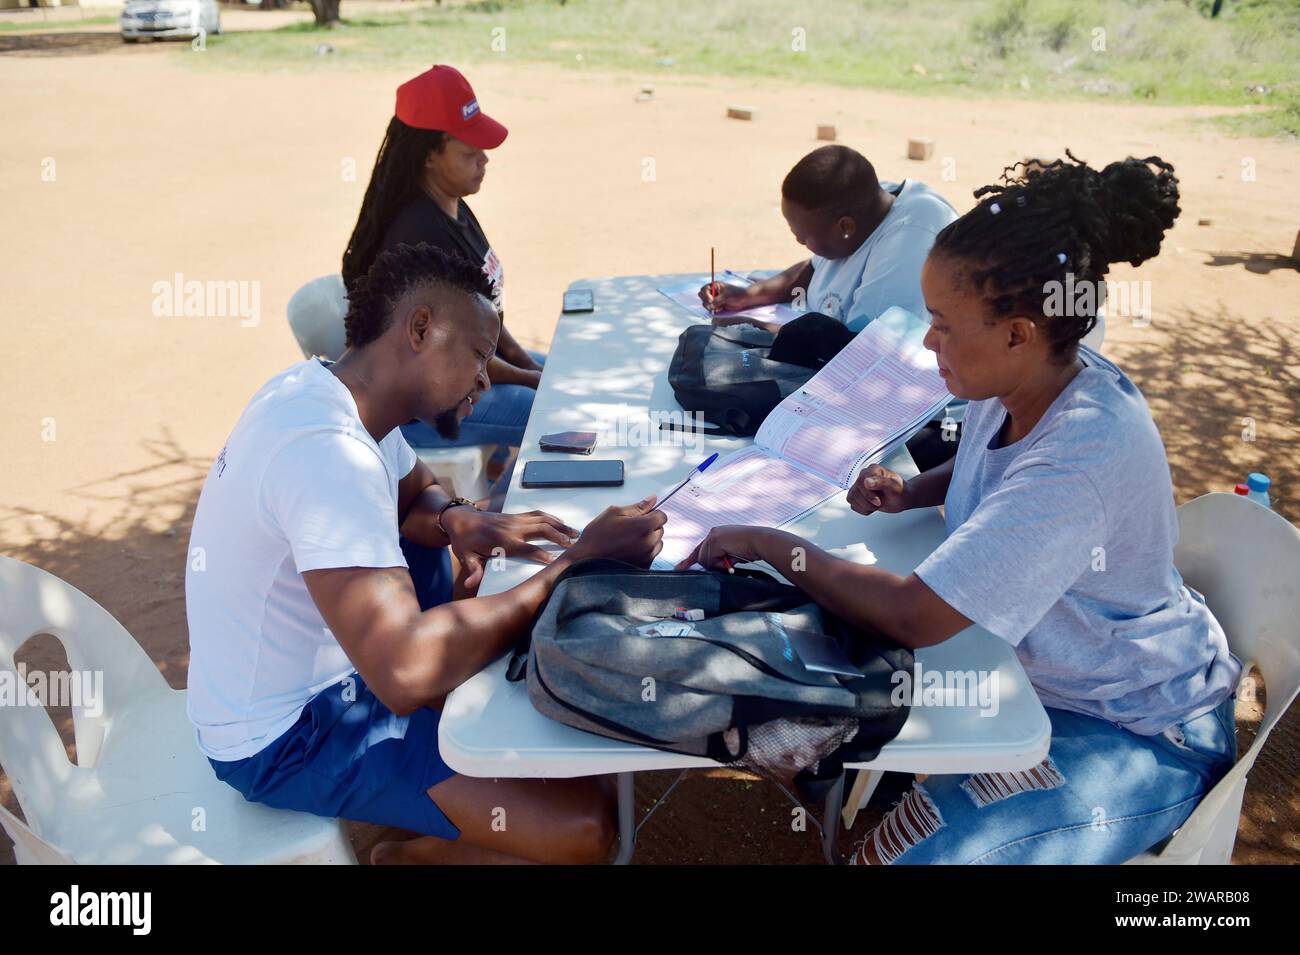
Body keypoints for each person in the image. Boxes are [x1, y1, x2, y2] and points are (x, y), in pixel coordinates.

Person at [679, 153, 1242, 864]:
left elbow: (918, 614)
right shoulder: (1027, 382)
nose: (927, 340)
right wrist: (914, 490)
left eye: (943, 324)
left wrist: (770, 542)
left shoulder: (1081, 453)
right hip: (1039, 683)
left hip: (1136, 728)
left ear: (1017, 332)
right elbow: (996, 465)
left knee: (897, 858)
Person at [186, 243, 667, 864]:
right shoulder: (326, 453)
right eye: (477, 353)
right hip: (287, 736)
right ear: (420, 328)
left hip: (349, 675)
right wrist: (571, 566)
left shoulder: (330, 394)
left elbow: (415, 493)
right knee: (584, 827)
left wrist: (456, 518)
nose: (485, 378)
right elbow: (407, 672)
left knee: (574, 738)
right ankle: (401, 859)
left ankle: (432, 809)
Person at [342, 64, 543, 453]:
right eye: (469, 152)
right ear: (429, 156)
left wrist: (527, 364)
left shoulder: (452, 203)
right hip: (428, 405)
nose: (483, 159)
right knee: (557, 411)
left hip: (472, 370)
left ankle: (505, 460)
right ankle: (513, 504)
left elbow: (487, 320)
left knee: (566, 375)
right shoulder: (420, 235)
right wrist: (531, 378)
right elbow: (455, 354)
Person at [698, 144, 957, 333]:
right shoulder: (865, 206)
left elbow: (859, 350)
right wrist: (749, 296)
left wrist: (758, 327)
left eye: (804, 237)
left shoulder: (910, 240)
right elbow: (813, 269)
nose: (799, 242)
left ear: (845, 226)